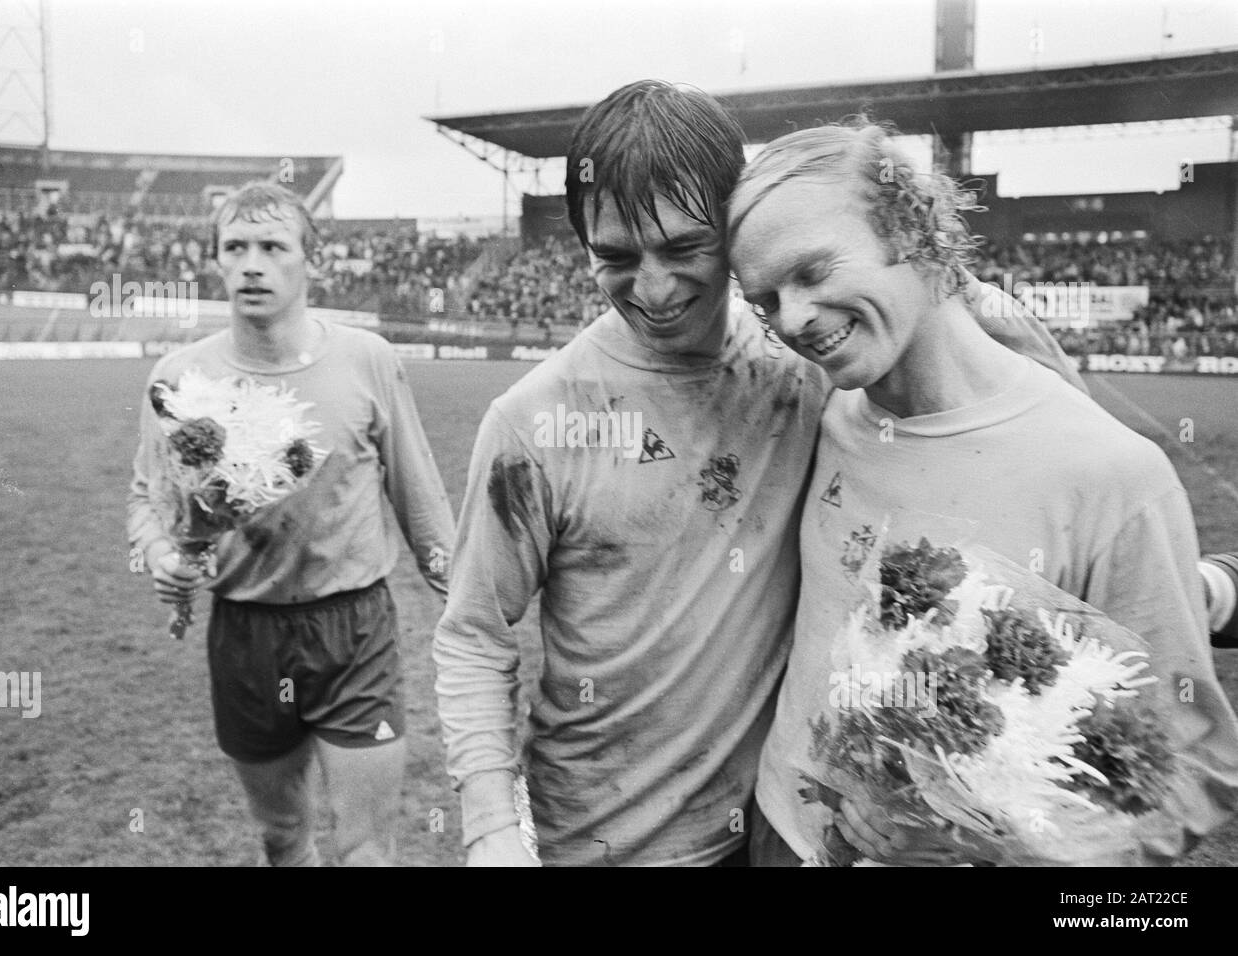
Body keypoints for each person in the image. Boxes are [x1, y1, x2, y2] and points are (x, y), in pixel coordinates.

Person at [432, 80, 1082, 867]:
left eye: (684, 248)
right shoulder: (532, 424)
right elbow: (472, 635)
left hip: (777, 830)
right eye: (616, 257)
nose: (656, 286)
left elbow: (935, 319)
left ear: (734, 231)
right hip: (600, 841)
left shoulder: (801, 370)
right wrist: (493, 832)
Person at [727, 120, 1238, 866]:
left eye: (811, 272)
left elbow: (1192, 767)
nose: (792, 319)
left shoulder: (1112, 476)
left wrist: (986, 845)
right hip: (779, 830)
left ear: (909, 231)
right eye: (765, 299)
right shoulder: (830, 411)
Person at [128, 181, 454, 866]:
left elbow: (419, 495)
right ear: (215, 261)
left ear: (311, 261)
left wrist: (460, 594)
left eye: (273, 247)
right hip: (245, 635)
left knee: (366, 849)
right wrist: (162, 554)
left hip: (354, 628)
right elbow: (145, 499)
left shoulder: (367, 360)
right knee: (283, 840)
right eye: (235, 247)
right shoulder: (180, 378)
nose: (252, 264)